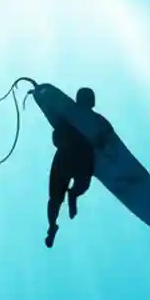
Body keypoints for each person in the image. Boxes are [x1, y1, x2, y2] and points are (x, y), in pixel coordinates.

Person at [46, 87, 113, 248]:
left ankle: (73, 195)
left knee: (80, 186)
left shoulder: (98, 121)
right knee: (55, 198)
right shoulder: (70, 116)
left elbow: (107, 142)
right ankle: (52, 226)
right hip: (66, 158)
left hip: (79, 159)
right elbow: (56, 136)